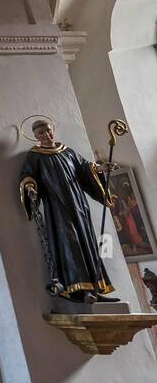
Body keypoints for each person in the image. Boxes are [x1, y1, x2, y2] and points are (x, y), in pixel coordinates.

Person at [19, 119, 119, 304]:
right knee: (70, 244)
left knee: (87, 242)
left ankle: (95, 288)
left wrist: (101, 168)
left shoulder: (68, 152)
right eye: (41, 133)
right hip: (58, 208)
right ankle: (78, 290)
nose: (46, 135)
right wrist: (30, 188)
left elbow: (84, 169)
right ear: (36, 137)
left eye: (48, 131)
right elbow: (28, 176)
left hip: (78, 204)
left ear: (53, 130)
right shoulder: (35, 156)